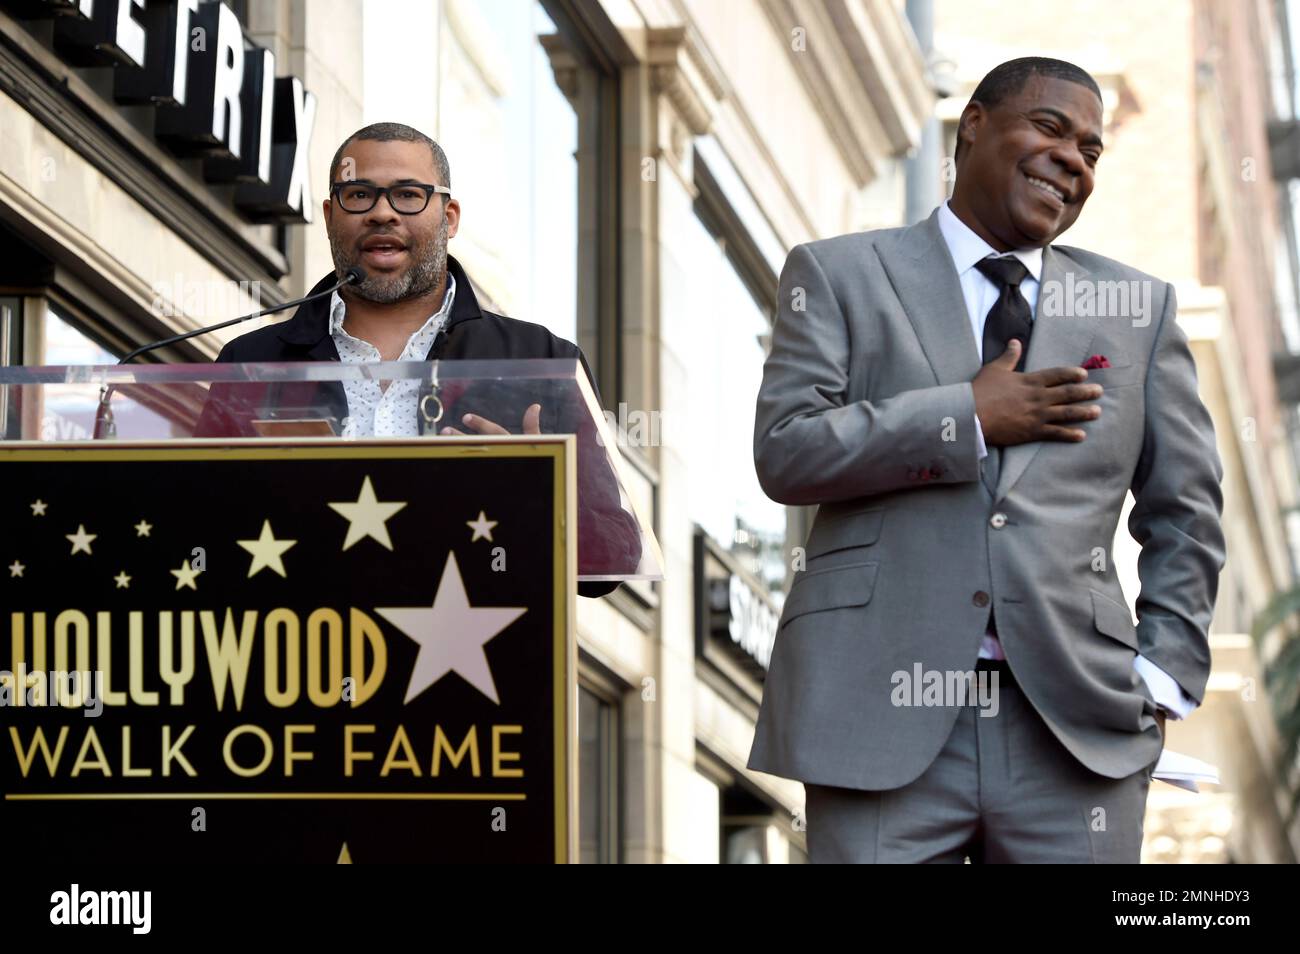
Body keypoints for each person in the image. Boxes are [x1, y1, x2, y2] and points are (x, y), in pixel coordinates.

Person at [747, 58, 1226, 862]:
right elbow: (786, 449)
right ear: (973, 124)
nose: (1074, 158)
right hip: (876, 717)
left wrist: (1162, 677)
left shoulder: (1137, 311)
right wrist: (965, 416)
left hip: (1076, 731)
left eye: (1091, 151)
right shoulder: (840, 274)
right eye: (1049, 127)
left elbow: (1187, 511)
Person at [194, 122, 640, 596]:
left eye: (408, 195)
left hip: (474, 658)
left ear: (448, 218)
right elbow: (194, 530)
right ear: (328, 216)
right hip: (301, 652)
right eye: (359, 194)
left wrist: (542, 501)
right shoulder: (254, 363)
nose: (382, 213)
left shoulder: (542, 362)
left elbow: (612, 559)